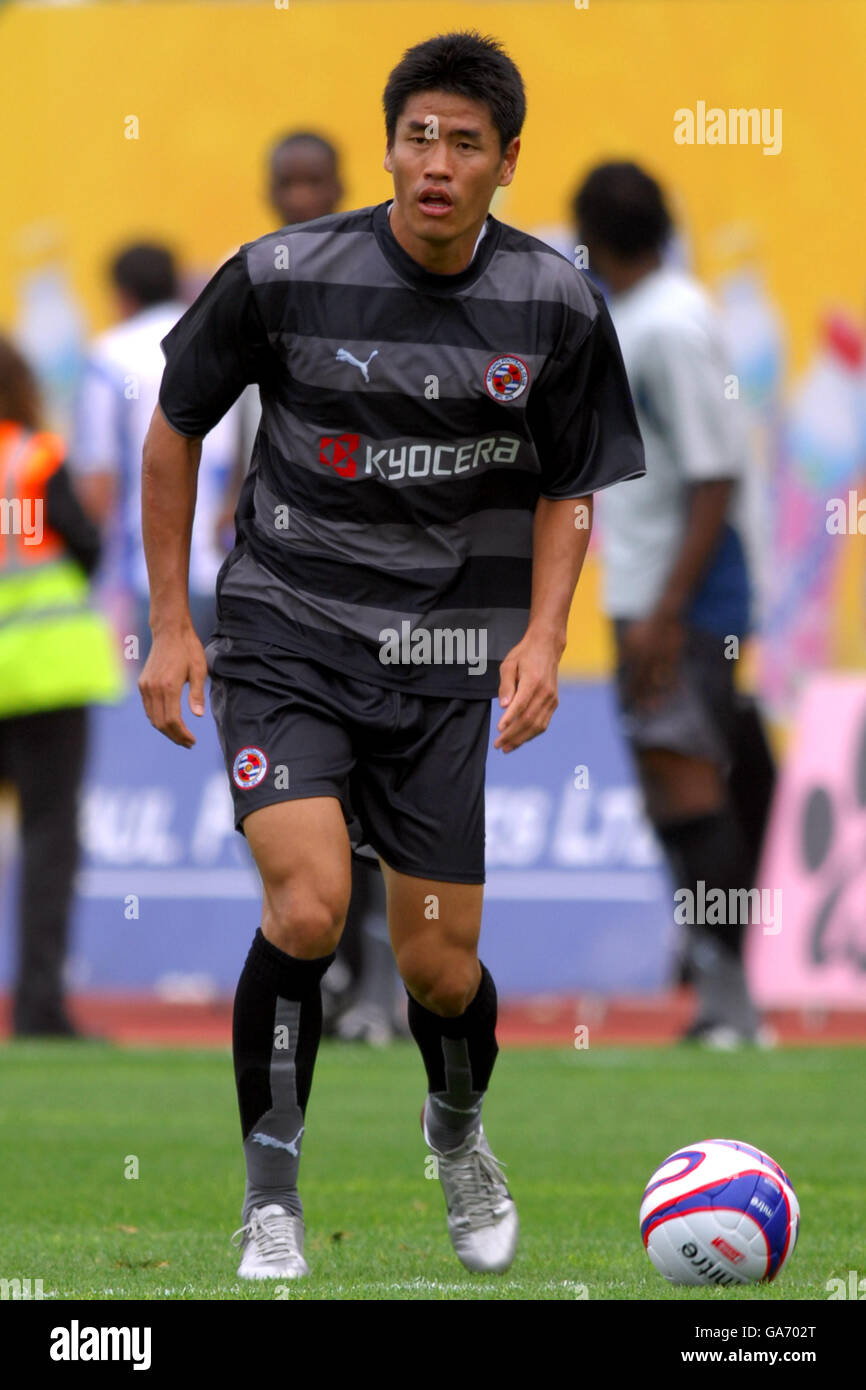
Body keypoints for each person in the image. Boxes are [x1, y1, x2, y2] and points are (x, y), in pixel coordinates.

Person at [138, 30, 644, 1280]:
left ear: (506, 161)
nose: (435, 162)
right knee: (307, 909)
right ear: (388, 145)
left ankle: (457, 1131)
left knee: (437, 962)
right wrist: (169, 621)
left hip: (445, 662)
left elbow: (572, 488)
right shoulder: (277, 273)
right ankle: (270, 1198)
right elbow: (173, 432)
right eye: (417, 135)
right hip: (286, 634)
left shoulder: (557, 302)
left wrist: (543, 633)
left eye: (463, 142)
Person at [573, 161, 773, 1049]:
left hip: (680, 596)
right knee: (691, 776)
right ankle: (714, 982)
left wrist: (669, 606)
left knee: (686, 780)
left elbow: (716, 469)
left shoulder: (674, 324)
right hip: (656, 589)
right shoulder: (637, 315)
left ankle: (728, 1004)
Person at [217, 129, 404, 1044]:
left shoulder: (388, 280)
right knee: (303, 806)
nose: (298, 195)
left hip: (381, 586)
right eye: (283, 180)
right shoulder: (253, 284)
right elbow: (231, 425)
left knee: (374, 803)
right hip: (283, 587)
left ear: (342, 184)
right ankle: (329, 984)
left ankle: (380, 985)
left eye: (312, 181)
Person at [0, 335, 122, 1037]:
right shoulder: (34, 458)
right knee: (48, 843)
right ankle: (37, 1006)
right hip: (46, 675)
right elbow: (87, 546)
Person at [72, 243, 240, 650]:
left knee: (162, 708)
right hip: (233, 567)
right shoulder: (216, 336)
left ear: (122, 296)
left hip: (151, 579)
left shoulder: (111, 355)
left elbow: (98, 484)